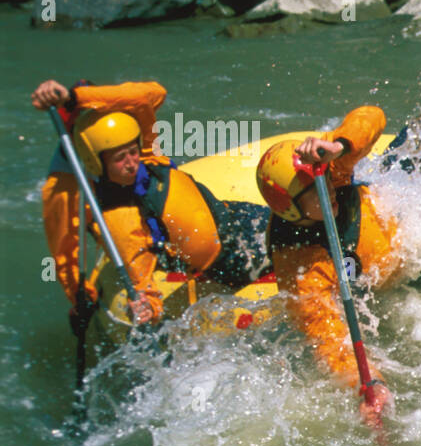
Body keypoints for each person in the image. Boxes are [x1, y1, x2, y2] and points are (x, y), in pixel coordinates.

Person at [31, 79, 271, 328]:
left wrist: (76, 98)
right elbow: (139, 276)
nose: (131, 162)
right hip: (235, 261)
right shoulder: (116, 216)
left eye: (132, 152)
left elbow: (148, 95)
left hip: (242, 218)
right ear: (96, 163)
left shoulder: (148, 154)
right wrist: (146, 307)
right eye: (120, 158)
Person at [255, 106, 395, 423]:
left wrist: (339, 146)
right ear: (292, 210)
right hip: (401, 275)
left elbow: (372, 117)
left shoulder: (328, 171)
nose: (329, 190)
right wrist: (371, 384)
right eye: (314, 193)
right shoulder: (300, 268)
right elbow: (330, 344)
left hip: (415, 233)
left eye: (327, 184)